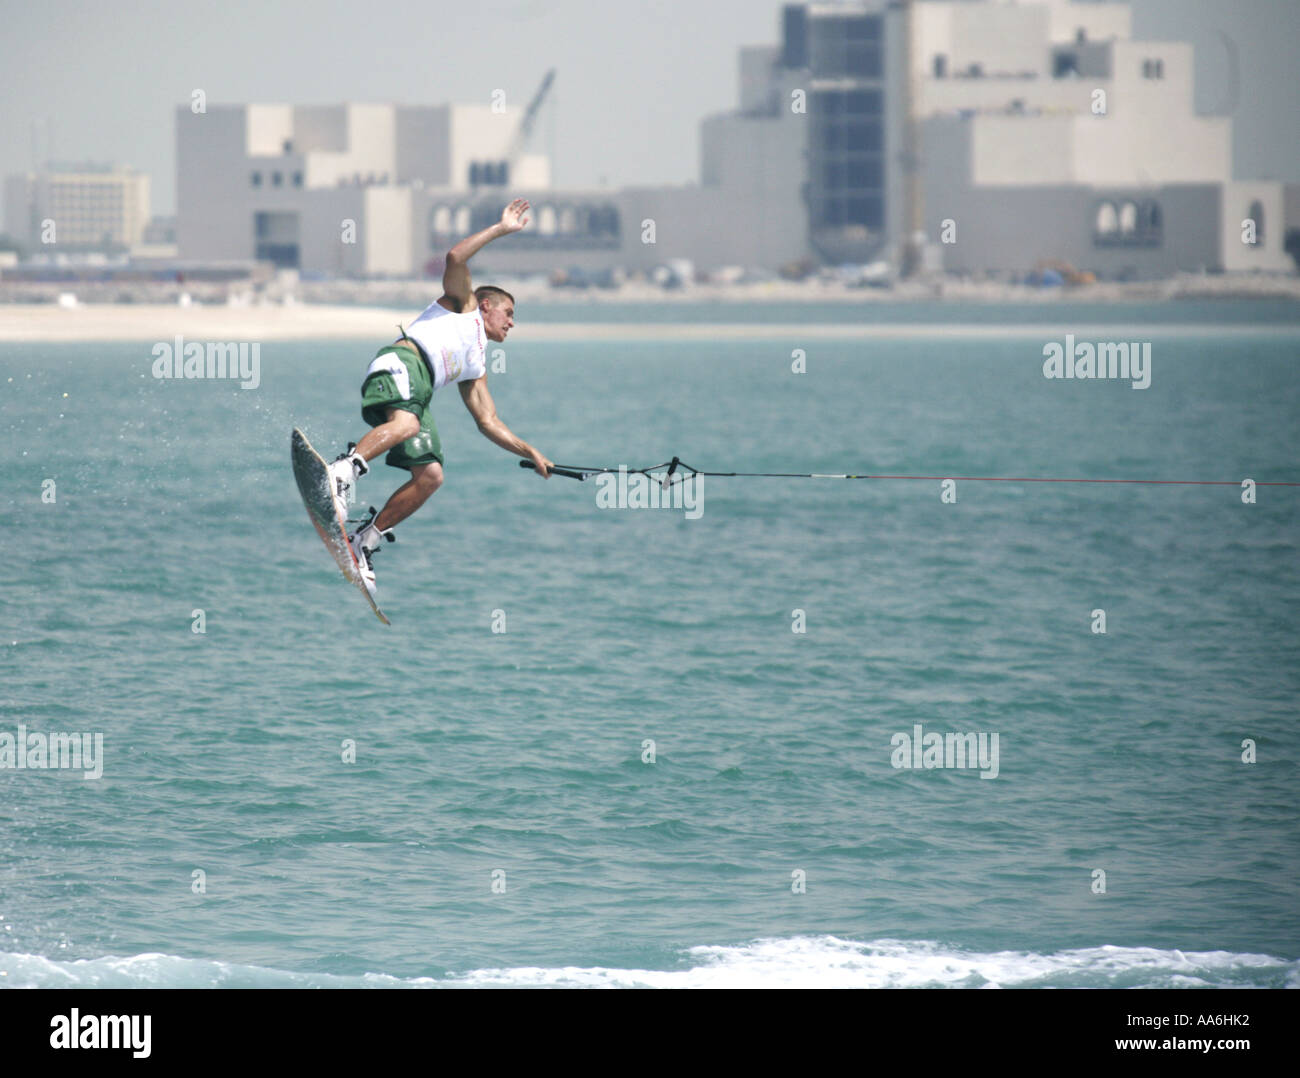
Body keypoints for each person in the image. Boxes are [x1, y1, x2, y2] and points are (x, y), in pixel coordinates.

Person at [327, 198, 553, 596]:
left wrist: (528, 450)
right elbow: (455, 256)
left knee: (431, 476)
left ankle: (365, 540)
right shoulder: (463, 305)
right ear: (486, 306)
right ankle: (343, 472)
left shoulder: (475, 362)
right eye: (509, 313)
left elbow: (488, 420)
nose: (512, 323)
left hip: (419, 389)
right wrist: (501, 229)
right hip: (401, 363)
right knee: (409, 421)